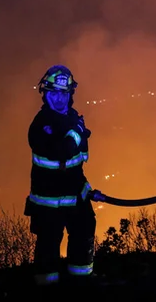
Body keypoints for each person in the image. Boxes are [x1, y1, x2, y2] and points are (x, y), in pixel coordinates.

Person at [24, 65, 96, 286]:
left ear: (70, 94)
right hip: (49, 204)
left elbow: (78, 162)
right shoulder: (40, 125)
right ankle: (47, 292)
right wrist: (77, 133)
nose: (59, 98)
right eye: (53, 93)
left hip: (76, 198)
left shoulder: (73, 118)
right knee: (48, 250)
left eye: (64, 93)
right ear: (45, 94)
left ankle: (81, 285)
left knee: (84, 236)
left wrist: (86, 190)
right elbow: (61, 152)